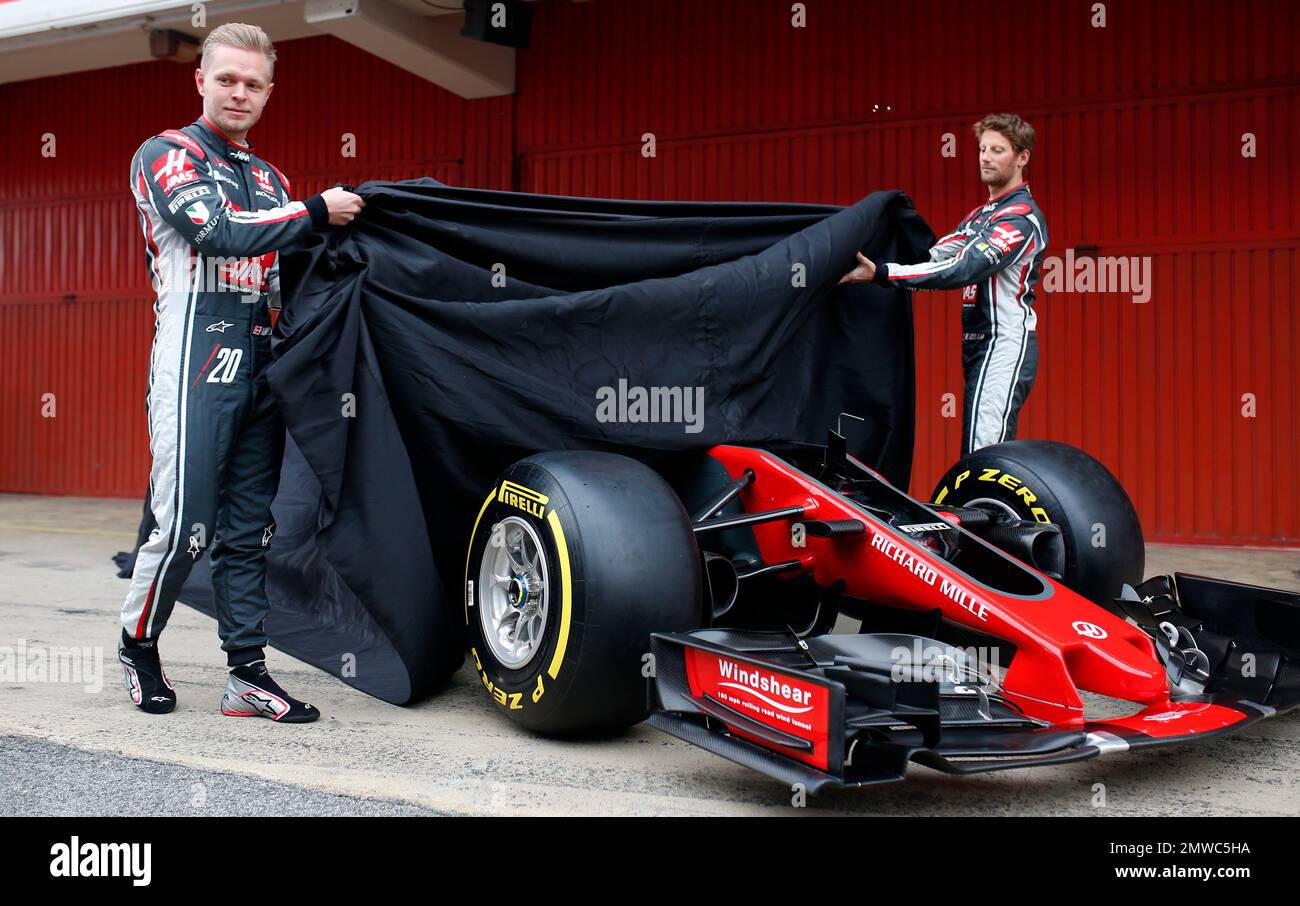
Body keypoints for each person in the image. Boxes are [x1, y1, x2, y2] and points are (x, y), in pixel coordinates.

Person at [118, 23, 364, 720]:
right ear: (201, 79)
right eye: (226, 79)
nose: (239, 93)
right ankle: (138, 646)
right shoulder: (166, 154)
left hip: (261, 369)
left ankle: (247, 675)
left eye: (253, 84)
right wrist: (316, 212)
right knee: (183, 526)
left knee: (250, 530)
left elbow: (286, 270)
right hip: (193, 363)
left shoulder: (270, 178)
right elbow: (217, 232)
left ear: (268, 93)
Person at [841, 113, 1048, 456]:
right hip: (977, 343)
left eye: (997, 150)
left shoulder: (1022, 218)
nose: (985, 158)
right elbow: (933, 256)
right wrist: (886, 227)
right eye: (982, 149)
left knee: (983, 449)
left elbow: (962, 268)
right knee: (975, 447)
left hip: (1004, 343)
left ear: (1022, 157)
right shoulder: (980, 216)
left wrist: (882, 273)